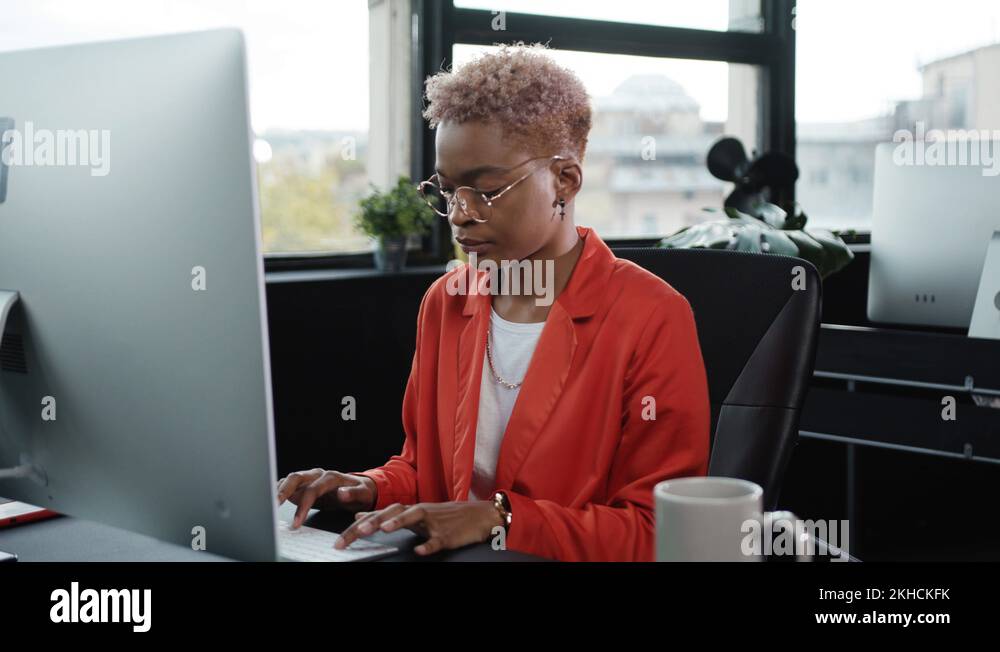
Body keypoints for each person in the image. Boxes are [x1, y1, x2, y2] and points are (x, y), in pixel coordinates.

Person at [276, 42, 710, 561]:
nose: (460, 214)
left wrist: (503, 518)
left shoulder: (651, 316)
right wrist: (365, 486)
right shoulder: (447, 301)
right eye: (449, 190)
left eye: (486, 190)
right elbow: (424, 472)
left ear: (564, 182)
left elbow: (659, 531)